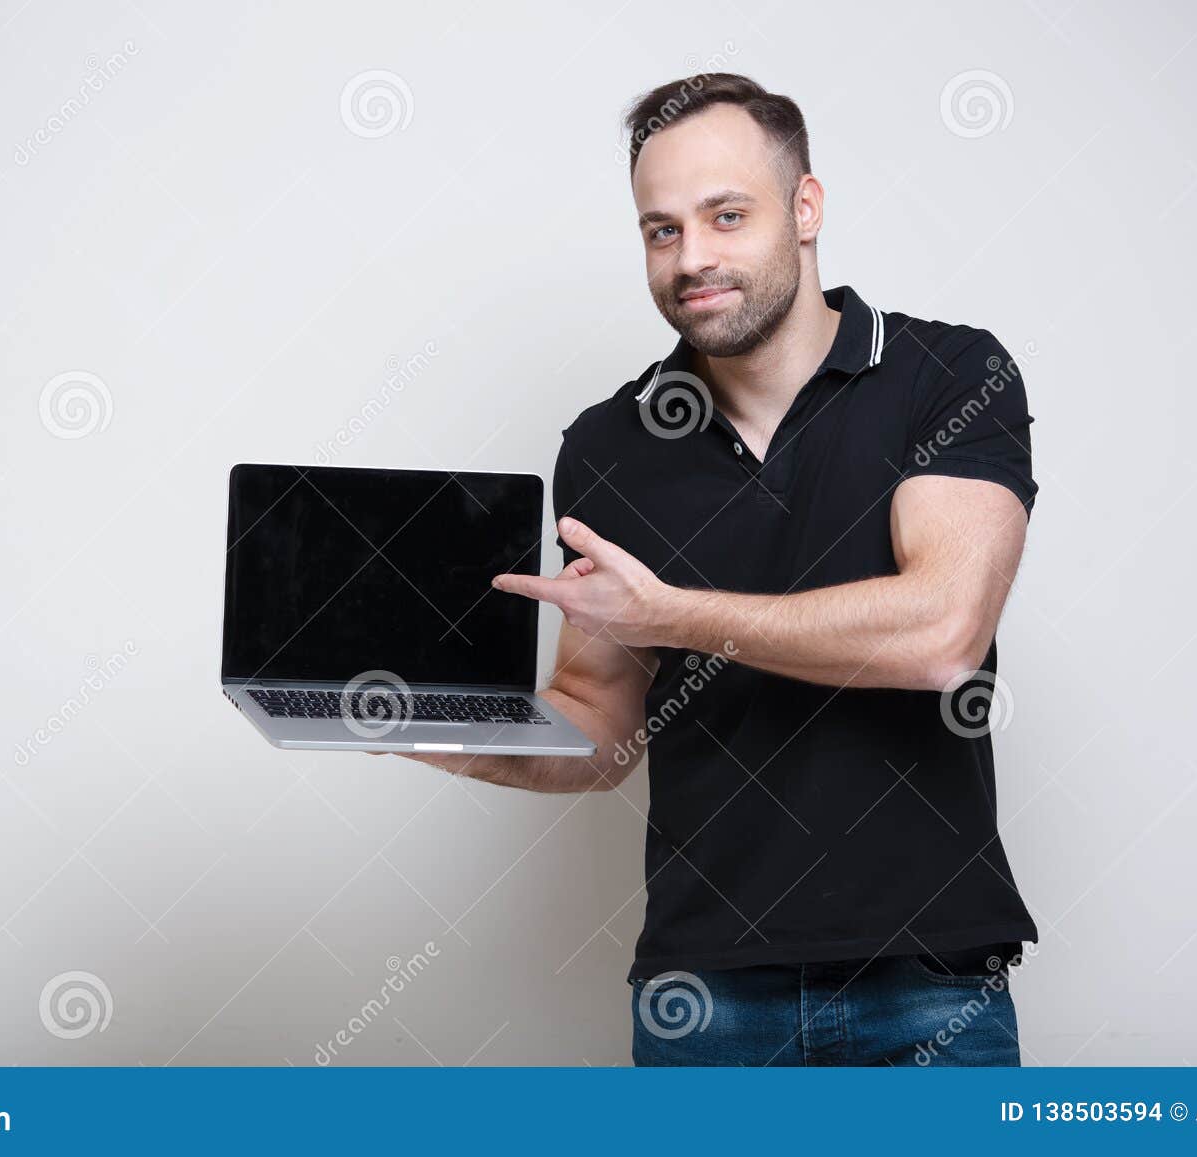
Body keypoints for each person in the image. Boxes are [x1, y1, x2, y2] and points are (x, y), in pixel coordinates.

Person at [395, 73, 1037, 1066]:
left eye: (725, 215)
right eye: (660, 230)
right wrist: (429, 725)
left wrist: (671, 613)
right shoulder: (609, 444)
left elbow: (939, 633)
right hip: (705, 994)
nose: (691, 257)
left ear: (806, 208)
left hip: (928, 979)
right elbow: (599, 726)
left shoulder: (945, 376)